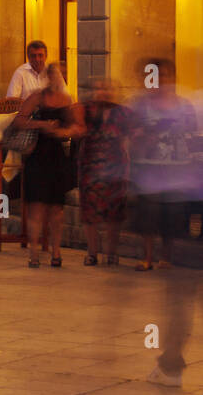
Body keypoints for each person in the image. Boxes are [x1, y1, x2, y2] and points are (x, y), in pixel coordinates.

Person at [128, 57, 198, 272]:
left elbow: (193, 133)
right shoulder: (140, 104)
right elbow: (131, 133)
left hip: (176, 166)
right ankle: (147, 257)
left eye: (167, 75)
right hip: (149, 166)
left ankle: (166, 257)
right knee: (148, 212)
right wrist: (149, 133)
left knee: (171, 214)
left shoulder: (184, 105)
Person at [13, 63, 77, 268]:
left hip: (57, 156)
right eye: (55, 74)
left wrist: (64, 132)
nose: (59, 78)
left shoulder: (67, 100)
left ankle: (56, 252)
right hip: (38, 155)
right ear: (48, 76)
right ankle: (34, 252)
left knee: (57, 209)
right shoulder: (37, 97)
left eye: (62, 75)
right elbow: (19, 121)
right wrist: (42, 125)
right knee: (37, 207)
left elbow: (76, 126)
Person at [71, 78, 132, 266]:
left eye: (107, 89)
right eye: (99, 89)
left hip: (115, 166)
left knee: (114, 213)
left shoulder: (123, 113)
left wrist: (128, 168)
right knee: (90, 212)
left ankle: (111, 253)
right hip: (91, 167)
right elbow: (76, 126)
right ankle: (92, 253)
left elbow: (128, 140)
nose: (103, 93)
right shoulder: (85, 110)